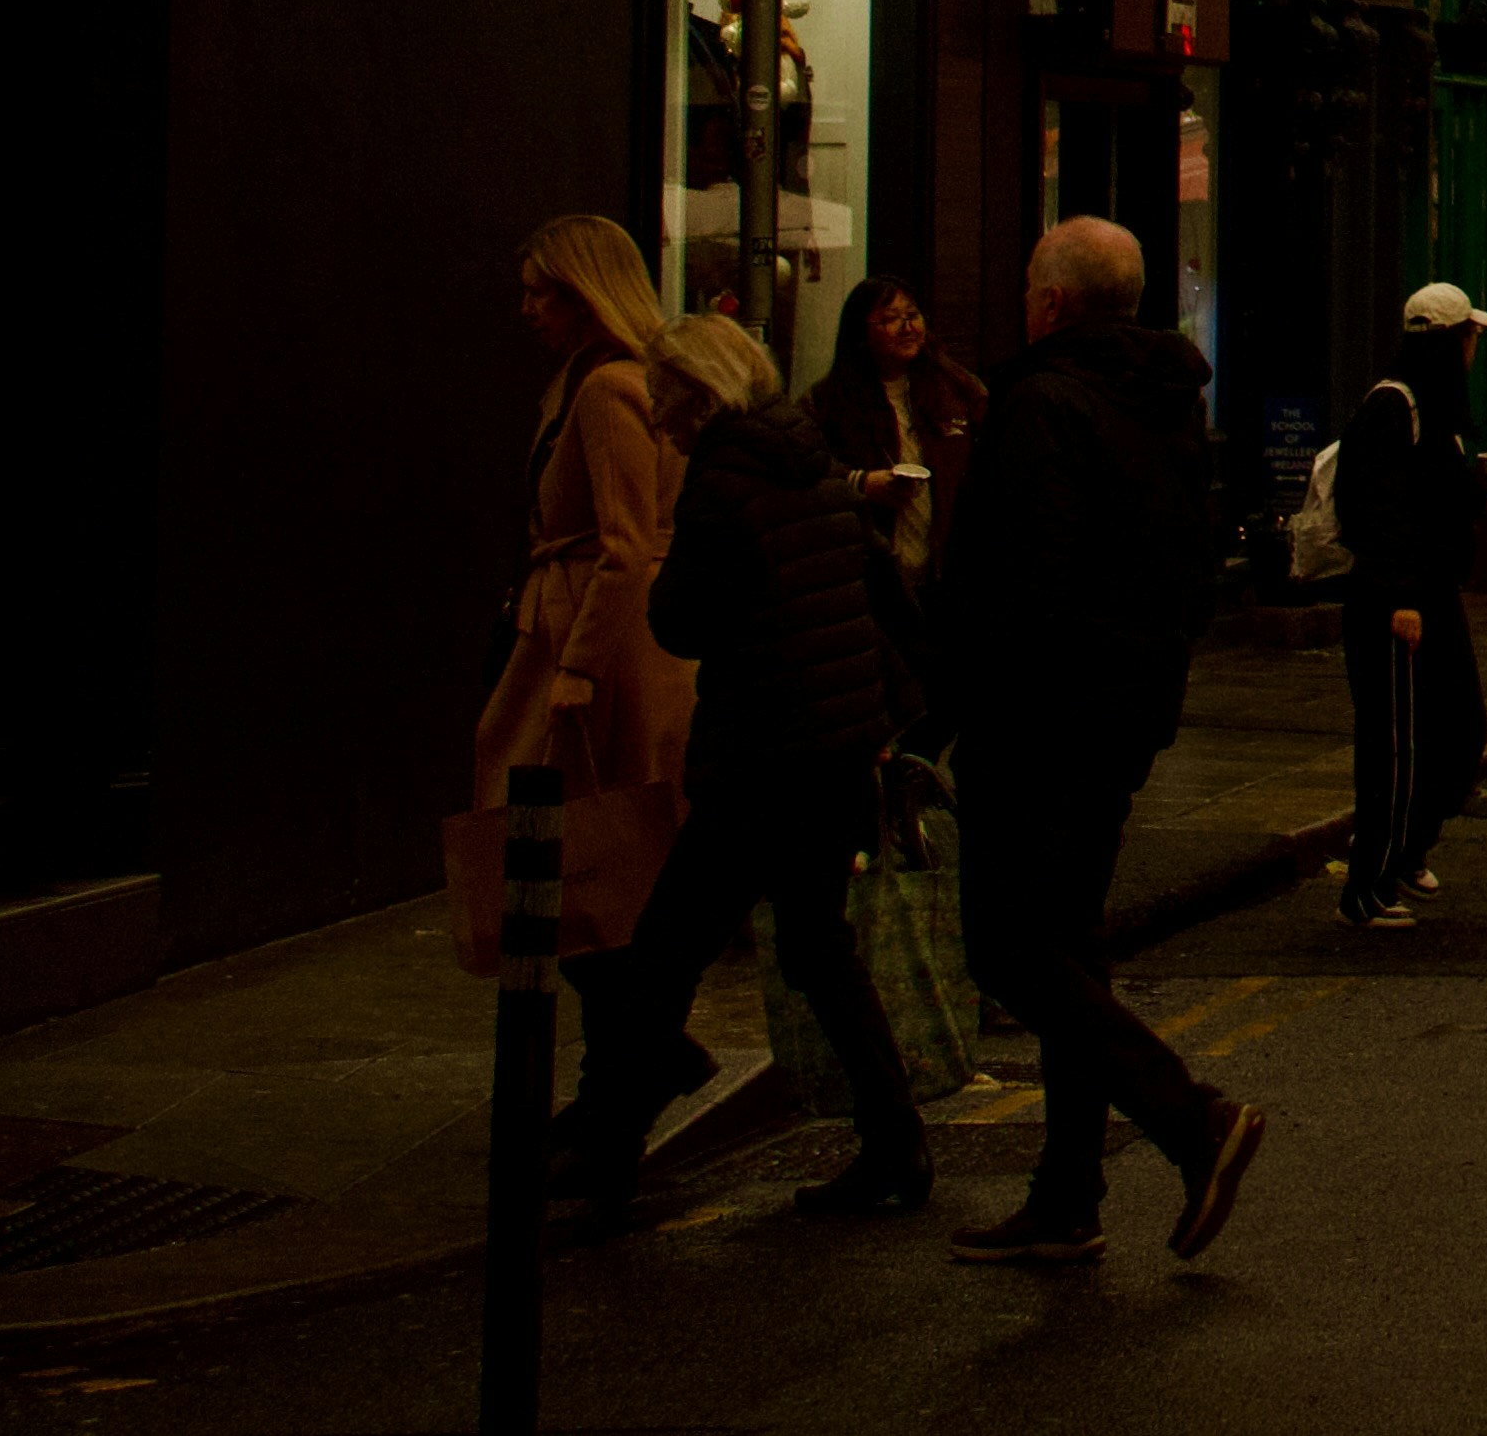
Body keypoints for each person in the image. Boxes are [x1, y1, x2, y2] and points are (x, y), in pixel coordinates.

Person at [938, 218, 1263, 1268]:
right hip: (1125, 705)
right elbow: (1188, 559)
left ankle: (1188, 1116)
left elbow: (1019, 578)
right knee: (1069, 944)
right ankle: (1068, 1188)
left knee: (1006, 945)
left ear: (1051, 302)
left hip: (1038, 714)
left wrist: (945, 706)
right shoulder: (1164, 402)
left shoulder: (1040, 405)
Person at [568, 314, 930, 1218]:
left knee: (663, 954)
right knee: (819, 950)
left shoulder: (721, 481)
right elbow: (872, 587)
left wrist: (658, 581)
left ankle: (606, 1173)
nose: (655, 419)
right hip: (837, 747)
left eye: (662, 399)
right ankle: (895, 1145)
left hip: (761, 755)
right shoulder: (810, 457)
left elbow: (681, 622)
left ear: (696, 394)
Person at [459, 217, 697, 1142]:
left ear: (587, 292)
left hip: (593, 649)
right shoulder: (608, 378)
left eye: (541, 293)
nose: (527, 311)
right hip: (590, 636)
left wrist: (575, 670)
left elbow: (624, 544)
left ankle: (627, 1079)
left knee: (575, 866)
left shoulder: (605, 388)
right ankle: (630, 1074)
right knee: (591, 868)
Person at [1332, 281, 1487, 930]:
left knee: (1460, 728)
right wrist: (1401, 595)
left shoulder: (1433, 411)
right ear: (1449, 341)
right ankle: (1366, 885)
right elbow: (1375, 506)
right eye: (1469, 336)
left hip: (1433, 595)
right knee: (1393, 746)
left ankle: (1406, 849)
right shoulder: (1392, 406)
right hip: (1395, 602)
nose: (1474, 347)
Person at [809, 274, 983, 582]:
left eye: (913, 316)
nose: (907, 328)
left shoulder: (956, 388)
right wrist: (861, 483)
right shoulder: (828, 401)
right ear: (861, 333)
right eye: (890, 319)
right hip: (868, 572)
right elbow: (806, 472)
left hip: (949, 572)